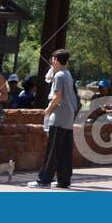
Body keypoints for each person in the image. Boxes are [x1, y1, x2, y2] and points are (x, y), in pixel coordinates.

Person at [31, 49, 77, 189]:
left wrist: (48, 110)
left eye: (53, 59)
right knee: (64, 151)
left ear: (56, 60)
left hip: (58, 117)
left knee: (52, 150)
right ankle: (64, 180)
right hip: (68, 117)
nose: (51, 61)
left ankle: (44, 180)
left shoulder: (59, 76)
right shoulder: (67, 74)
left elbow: (57, 97)